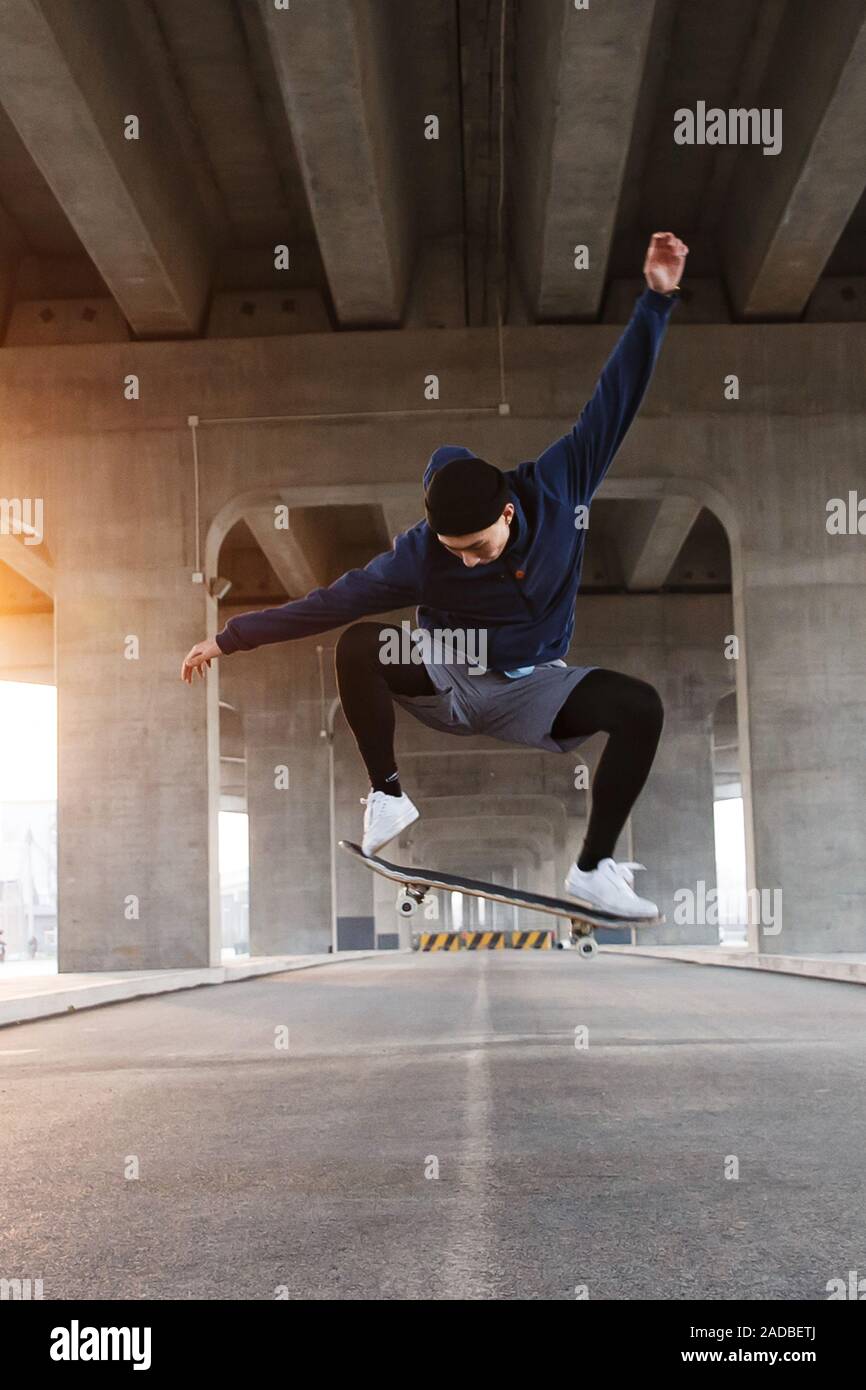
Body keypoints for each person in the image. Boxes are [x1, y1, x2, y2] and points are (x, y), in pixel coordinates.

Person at [182, 232, 688, 919]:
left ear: (509, 512)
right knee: (361, 641)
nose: (466, 560)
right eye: (453, 551)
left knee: (640, 706)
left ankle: (595, 869)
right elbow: (331, 602)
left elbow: (615, 398)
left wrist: (657, 299)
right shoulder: (420, 556)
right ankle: (387, 796)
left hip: (538, 684)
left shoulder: (562, 481)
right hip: (449, 672)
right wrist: (230, 637)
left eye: (477, 547)